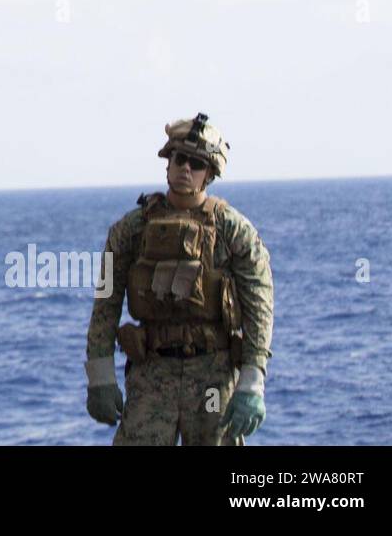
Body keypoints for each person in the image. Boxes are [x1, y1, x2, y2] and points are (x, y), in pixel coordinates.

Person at [84, 114, 274, 444]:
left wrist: (252, 381)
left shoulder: (233, 230)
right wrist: (100, 375)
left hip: (212, 377)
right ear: (168, 163)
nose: (186, 169)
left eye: (197, 164)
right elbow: (106, 303)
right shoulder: (131, 229)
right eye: (180, 159)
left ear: (210, 173)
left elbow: (259, 302)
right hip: (152, 374)